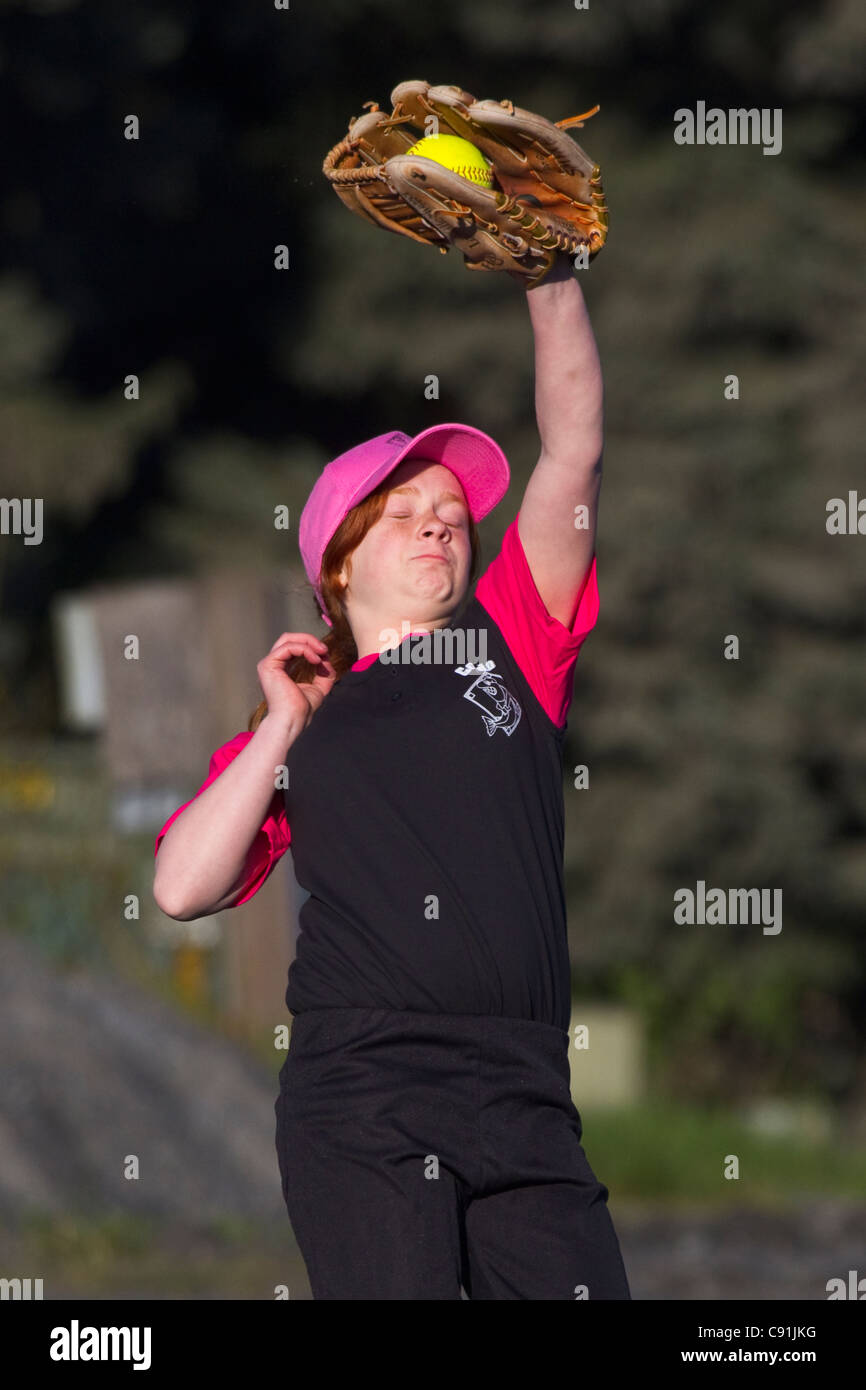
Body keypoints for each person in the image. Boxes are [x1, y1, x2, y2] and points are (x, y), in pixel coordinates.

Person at [153, 255, 631, 1300]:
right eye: (405, 506)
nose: (441, 518)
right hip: (364, 1090)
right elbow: (182, 886)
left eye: (453, 509)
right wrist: (279, 726)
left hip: (525, 1093)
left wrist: (547, 276)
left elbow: (575, 451)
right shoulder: (305, 718)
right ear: (337, 558)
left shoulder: (514, 637)